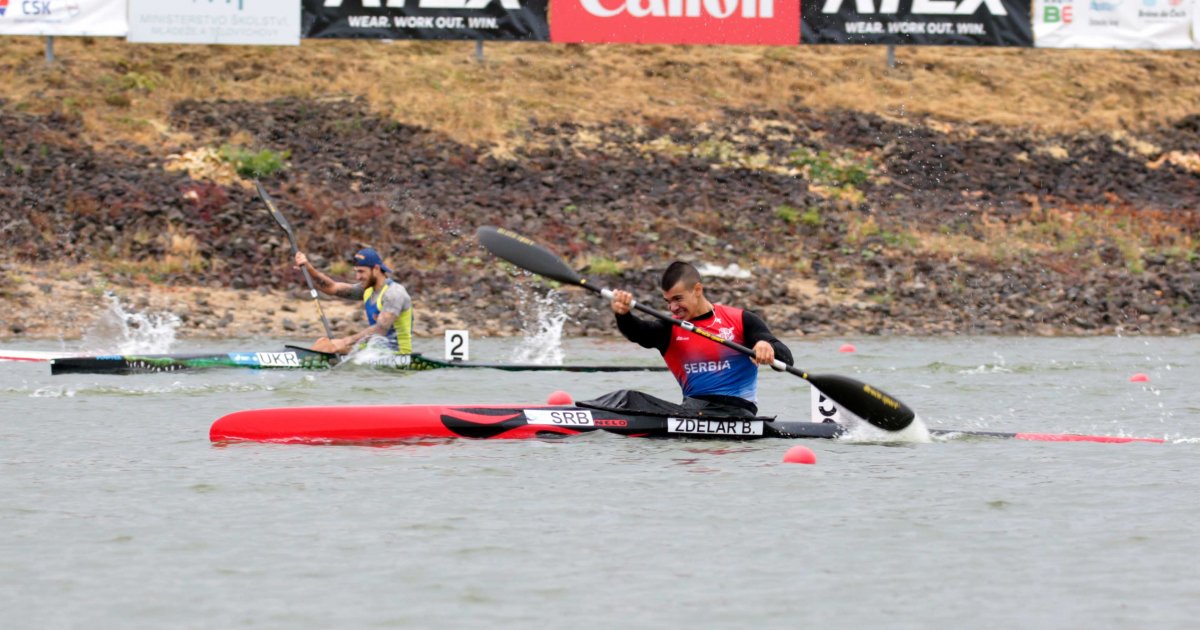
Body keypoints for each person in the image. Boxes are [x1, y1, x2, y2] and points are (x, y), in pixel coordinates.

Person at [609, 261, 792, 417]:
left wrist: (766, 346)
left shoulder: (741, 320)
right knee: (628, 398)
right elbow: (639, 332)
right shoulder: (669, 328)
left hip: (738, 413)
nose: (673, 308)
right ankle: (585, 412)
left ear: (697, 290)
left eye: (678, 299)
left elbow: (786, 359)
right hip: (693, 411)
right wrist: (624, 315)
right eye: (668, 301)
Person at [293, 247, 413, 355]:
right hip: (375, 350)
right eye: (356, 272)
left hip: (397, 354)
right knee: (323, 344)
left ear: (376, 269)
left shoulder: (394, 293)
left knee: (335, 347)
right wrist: (308, 269)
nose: (357, 277)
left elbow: (380, 329)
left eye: (361, 271)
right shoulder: (367, 290)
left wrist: (345, 342)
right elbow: (332, 287)